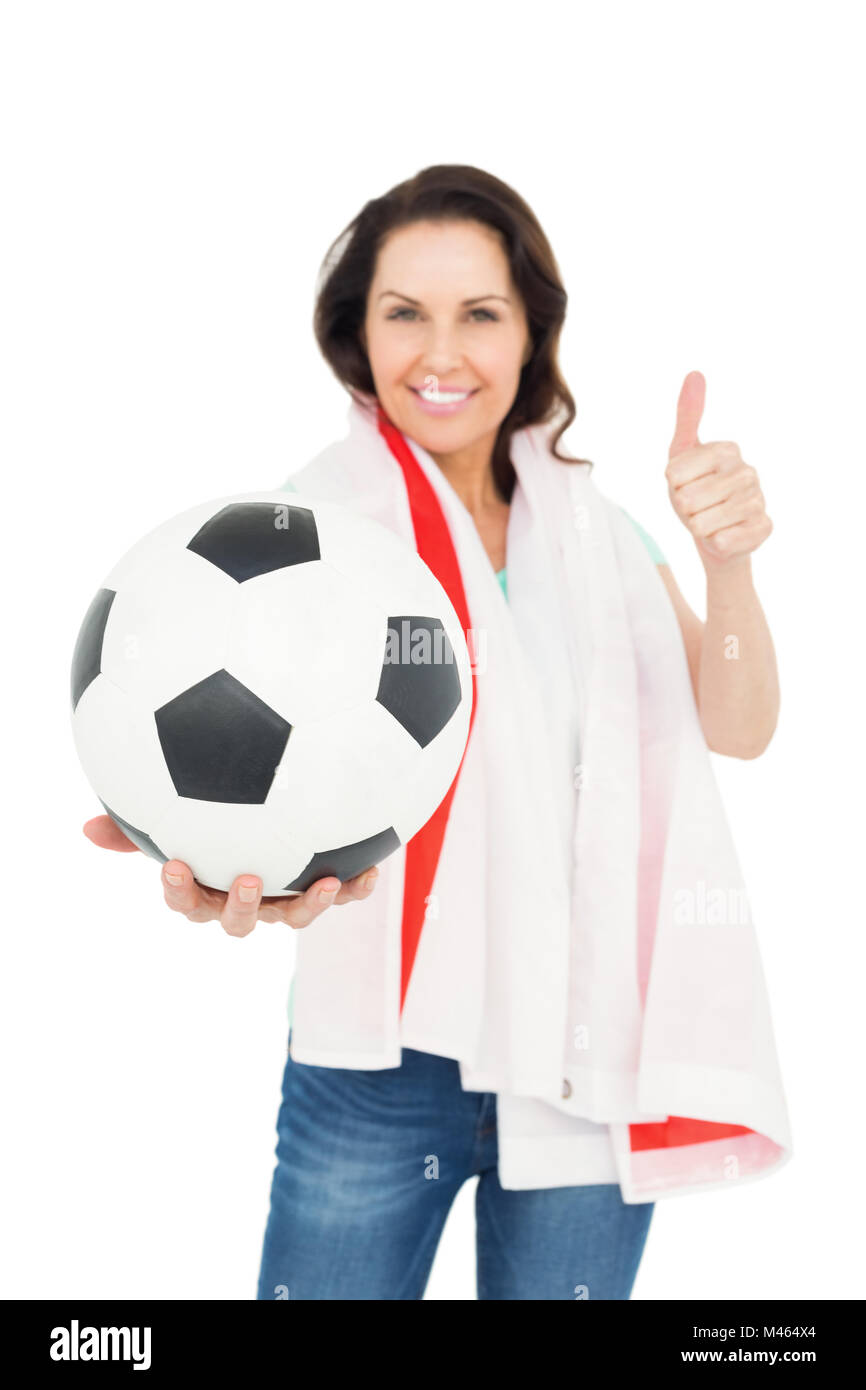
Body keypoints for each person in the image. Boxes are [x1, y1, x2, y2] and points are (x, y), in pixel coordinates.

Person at [84, 165, 780, 1300]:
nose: (440, 353)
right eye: (404, 311)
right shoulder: (312, 532)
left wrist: (728, 563)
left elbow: (737, 727)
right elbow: (277, 783)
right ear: (357, 333)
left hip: (582, 1048)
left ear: (530, 331)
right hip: (379, 1062)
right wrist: (222, 866)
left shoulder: (596, 532)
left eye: (479, 313)